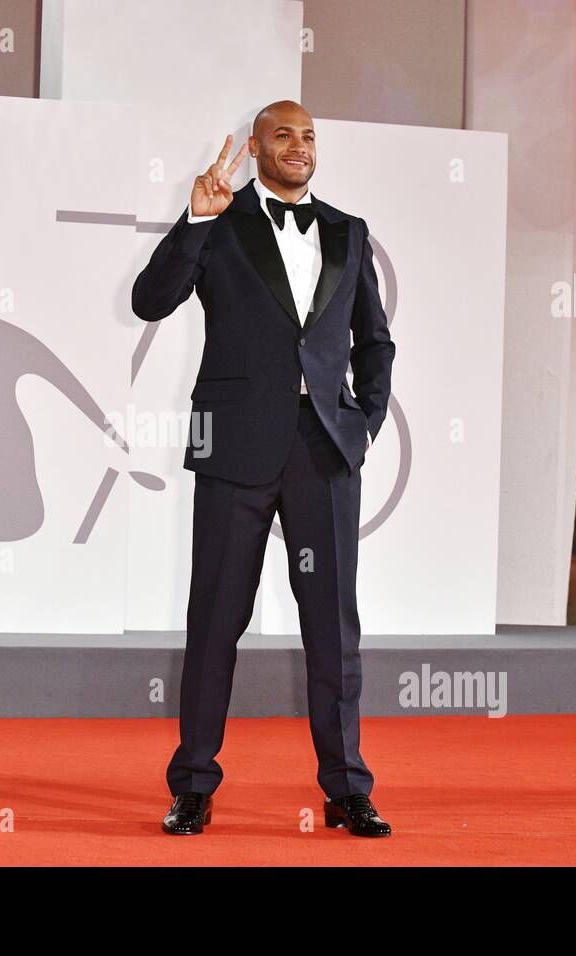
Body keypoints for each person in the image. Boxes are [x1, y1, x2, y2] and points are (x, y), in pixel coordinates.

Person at [132, 100, 395, 838]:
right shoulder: (221, 221)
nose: (300, 145)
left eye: (310, 134)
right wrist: (194, 219)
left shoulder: (349, 230)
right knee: (214, 621)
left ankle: (348, 790)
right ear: (255, 148)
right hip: (234, 447)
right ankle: (193, 786)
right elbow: (150, 301)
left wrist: (363, 424)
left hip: (325, 453)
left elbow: (375, 342)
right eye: (284, 134)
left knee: (333, 629)